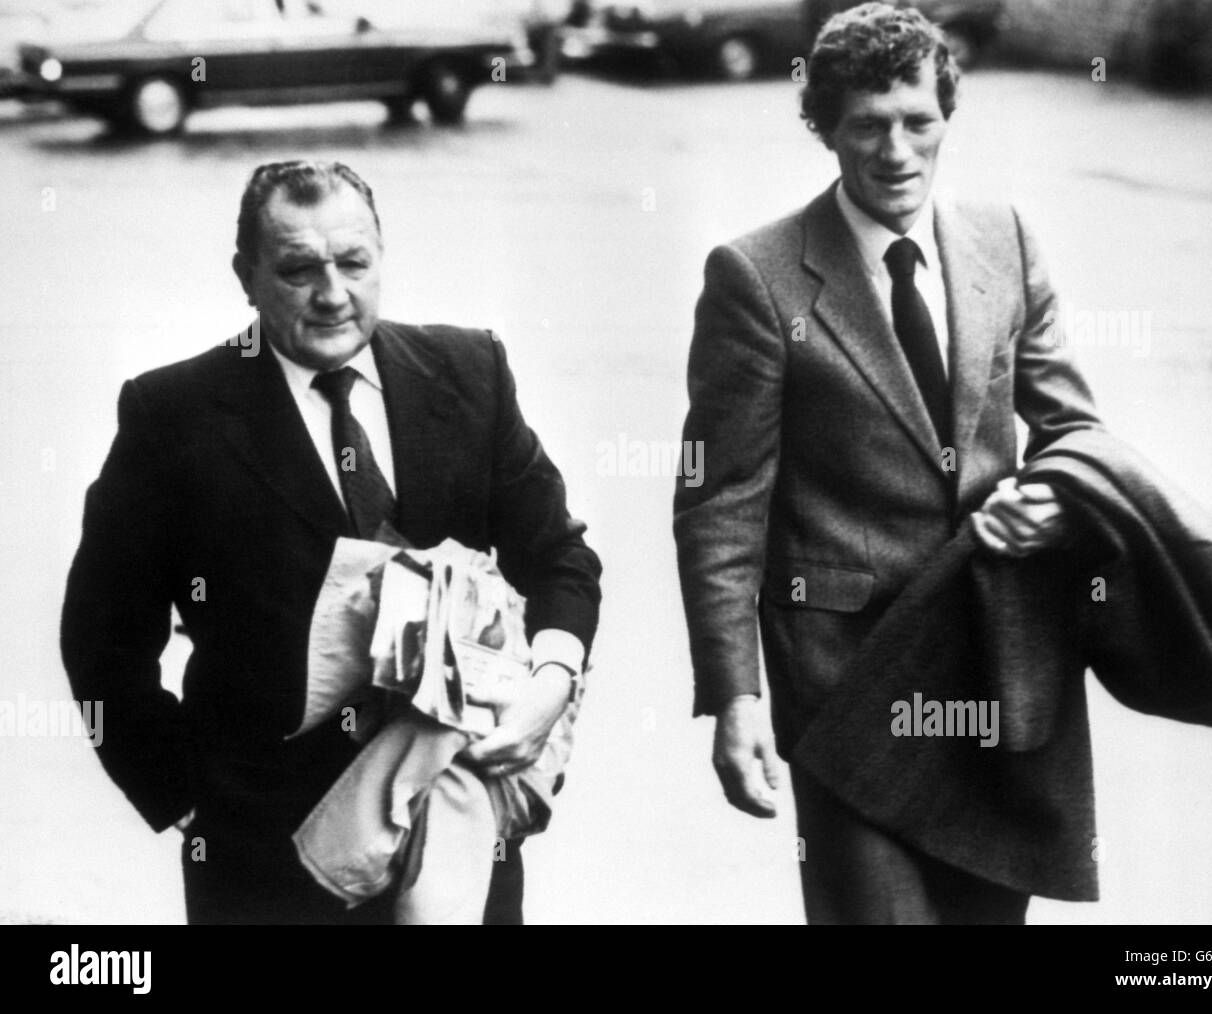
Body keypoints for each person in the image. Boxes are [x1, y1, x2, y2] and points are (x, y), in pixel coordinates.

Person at [62, 160, 601, 925]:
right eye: (296, 270)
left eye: (353, 263)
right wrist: (186, 802)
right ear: (245, 277)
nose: (332, 294)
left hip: (458, 813)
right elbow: (102, 644)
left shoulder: (470, 370)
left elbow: (560, 560)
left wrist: (551, 683)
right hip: (264, 855)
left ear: (382, 256)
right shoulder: (171, 417)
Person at [673, 3, 1104, 924]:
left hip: (998, 668)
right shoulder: (757, 277)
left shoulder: (1007, 240)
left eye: (919, 122)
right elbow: (721, 504)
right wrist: (734, 696)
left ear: (948, 117)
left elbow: (1071, 431)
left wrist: (1055, 501)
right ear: (824, 128)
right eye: (866, 125)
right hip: (846, 686)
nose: (896, 151)